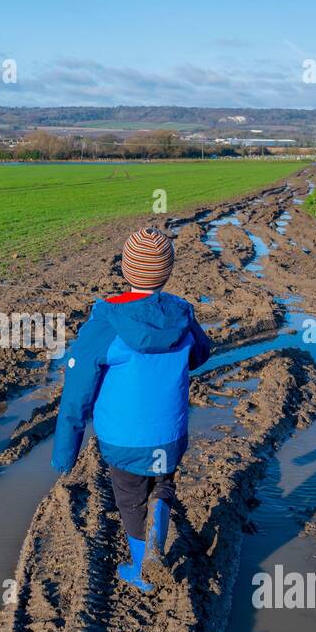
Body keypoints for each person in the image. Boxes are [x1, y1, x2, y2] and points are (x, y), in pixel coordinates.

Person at [51, 228, 211, 592]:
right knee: (162, 484)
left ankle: (142, 570)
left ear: (125, 269)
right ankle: (159, 513)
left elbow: (76, 391)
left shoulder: (106, 322)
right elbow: (201, 354)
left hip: (124, 441)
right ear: (167, 272)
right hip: (170, 436)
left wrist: (65, 453)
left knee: (130, 499)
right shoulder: (181, 313)